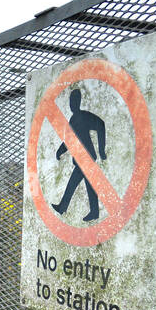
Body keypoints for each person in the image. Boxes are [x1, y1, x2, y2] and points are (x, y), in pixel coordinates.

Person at [52, 88, 107, 222]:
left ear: (78, 102)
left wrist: (101, 150)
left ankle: (63, 207)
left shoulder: (83, 116)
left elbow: (101, 124)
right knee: (89, 184)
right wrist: (60, 150)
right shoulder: (73, 119)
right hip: (81, 158)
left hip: (86, 158)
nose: (72, 104)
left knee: (73, 183)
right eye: (71, 102)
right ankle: (93, 212)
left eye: (74, 101)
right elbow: (69, 139)